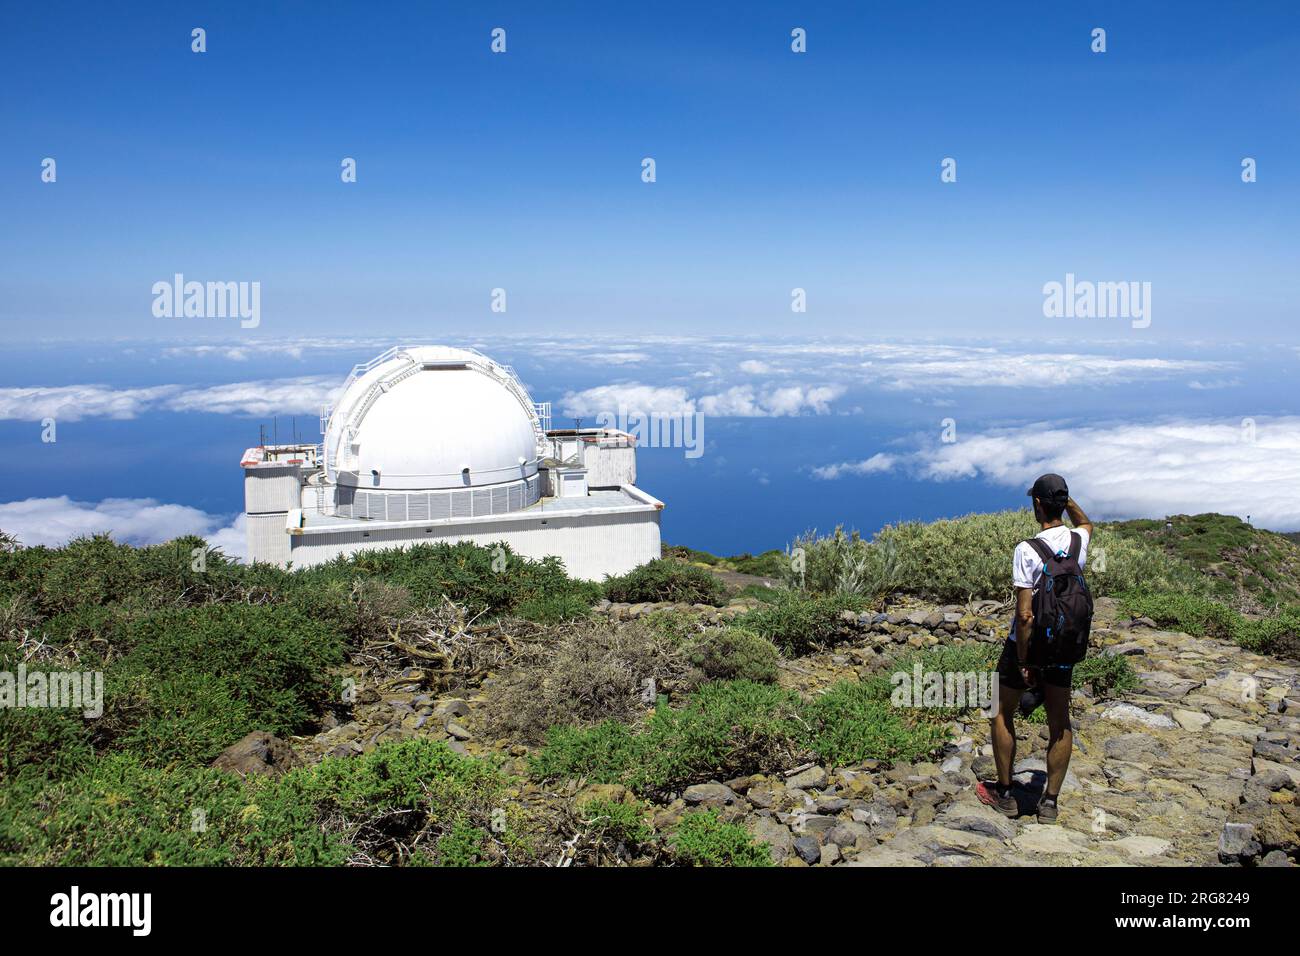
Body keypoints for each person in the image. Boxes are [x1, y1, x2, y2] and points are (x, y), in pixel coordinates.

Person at [976, 474, 1092, 823]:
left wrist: (1026, 661)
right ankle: (1050, 803)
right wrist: (1066, 500)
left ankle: (1006, 793)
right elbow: (1086, 521)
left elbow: (1025, 615)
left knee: (1000, 710)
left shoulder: (1027, 549)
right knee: (1060, 721)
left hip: (1027, 647)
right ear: (1063, 504)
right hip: (1064, 646)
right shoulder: (1077, 541)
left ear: (1037, 505)